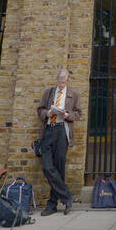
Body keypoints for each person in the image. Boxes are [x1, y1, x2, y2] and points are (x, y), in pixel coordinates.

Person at [36, 67, 80, 217]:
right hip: (49, 129)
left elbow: (78, 113)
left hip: (62, 131)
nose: (62, 84)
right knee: (47, 166)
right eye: (60, 81)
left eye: (64, 82)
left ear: (67, 81)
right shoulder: (49, 93)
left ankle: (52, 204)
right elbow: (40, 110)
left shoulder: (73, 95)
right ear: (57, 80)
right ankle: (67, 196)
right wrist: (47, 113)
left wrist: (67, 115)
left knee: (59, 168)